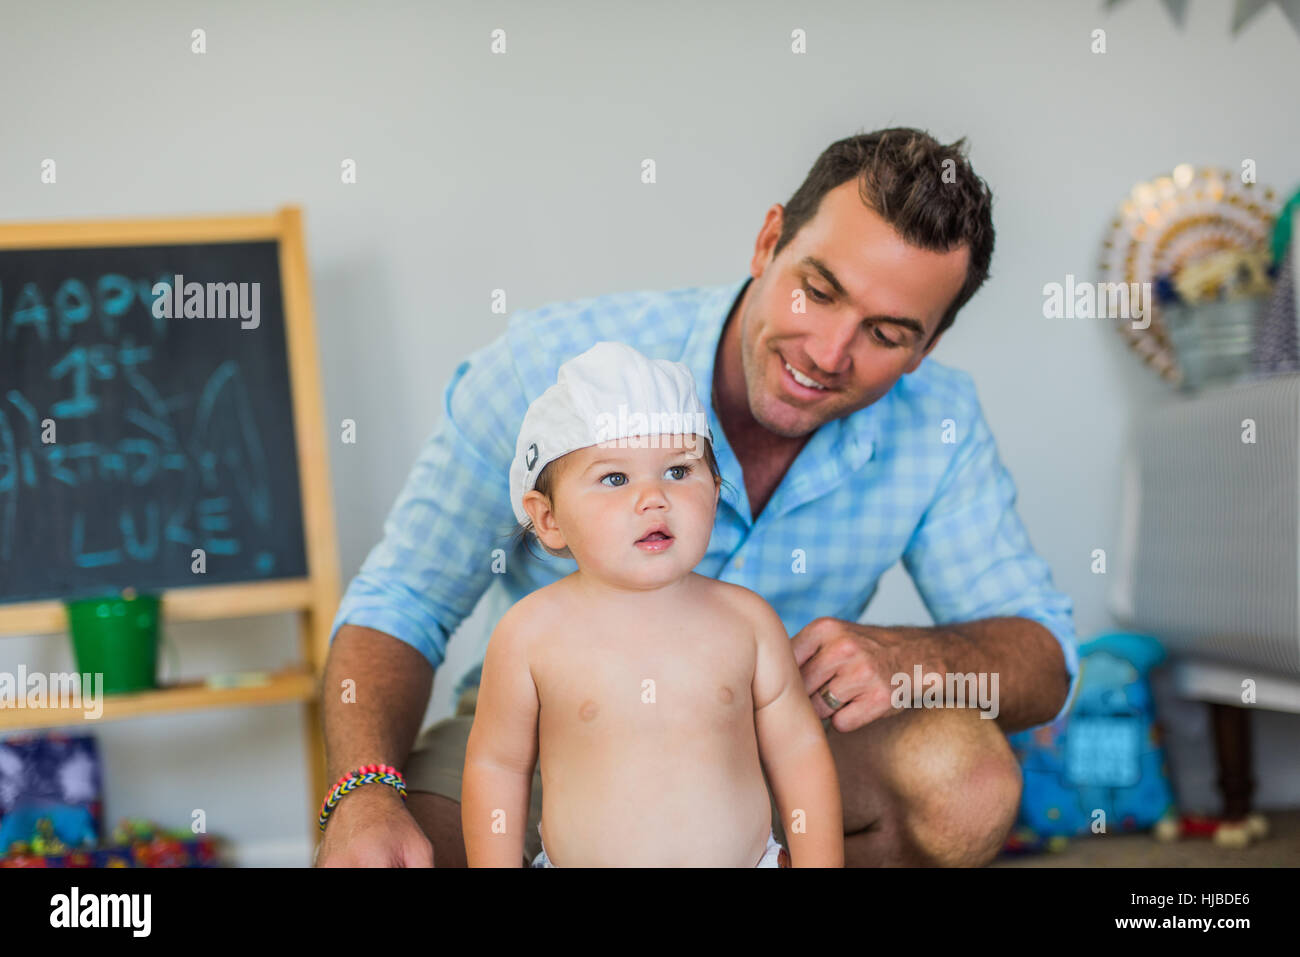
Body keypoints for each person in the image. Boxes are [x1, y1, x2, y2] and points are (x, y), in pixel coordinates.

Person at [316, 127, 1078, 868]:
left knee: (969, 780)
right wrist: (361, 794)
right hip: (549, 742)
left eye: (886, 332)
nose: (828, 353)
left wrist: (915, 658)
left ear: (928, 345)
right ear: (769, 239)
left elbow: (1045, 656)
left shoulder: (938, 423)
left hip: (764, 757)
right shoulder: (542, 368)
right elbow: (403, 600)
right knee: (394, 853)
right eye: (818, 290)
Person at [461, 341, 842, 867]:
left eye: (679, 472)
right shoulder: (530, 635)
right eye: (614, 479)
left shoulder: (747, 622)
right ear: (547, 518)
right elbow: (497, 767)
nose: (653, 498)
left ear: (715, 489)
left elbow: (798, 753)